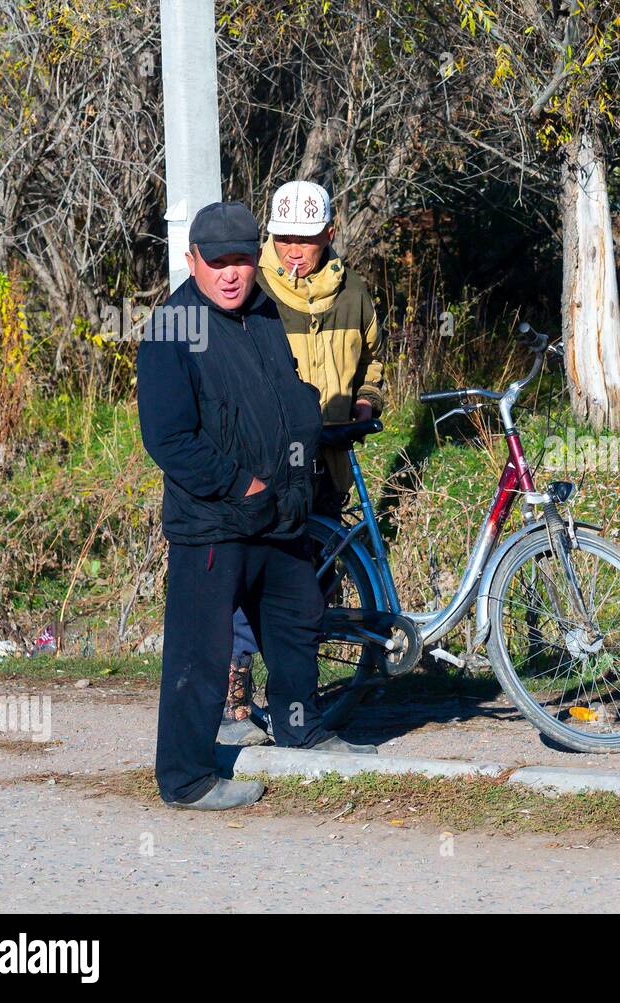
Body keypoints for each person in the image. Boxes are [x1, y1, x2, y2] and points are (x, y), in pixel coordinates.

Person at [138, 200, 376, 811]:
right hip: (214, 524)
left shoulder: (264, 310)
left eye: (242, 260)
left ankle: (301, 729)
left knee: (297, 625)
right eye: (217, 262)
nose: (230, 274)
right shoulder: (172, 328)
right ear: (192, 259)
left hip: (281, 512)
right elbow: (168, 438)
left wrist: (300, 458)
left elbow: (285, 394)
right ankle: (187, 779)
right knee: (201, 653)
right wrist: (239, 484)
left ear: (256, 258)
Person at [218, 180, 386, 746]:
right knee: (253, 578)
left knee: (314, 584)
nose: (294, 250)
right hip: (267, 465)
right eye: (284, 238)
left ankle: (298, 705)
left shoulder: (353, 292)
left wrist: (366, 402)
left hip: (328, 460)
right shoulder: (252, 290)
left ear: (329, 236)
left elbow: (374, 362)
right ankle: (235, 703)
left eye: (307, 240)